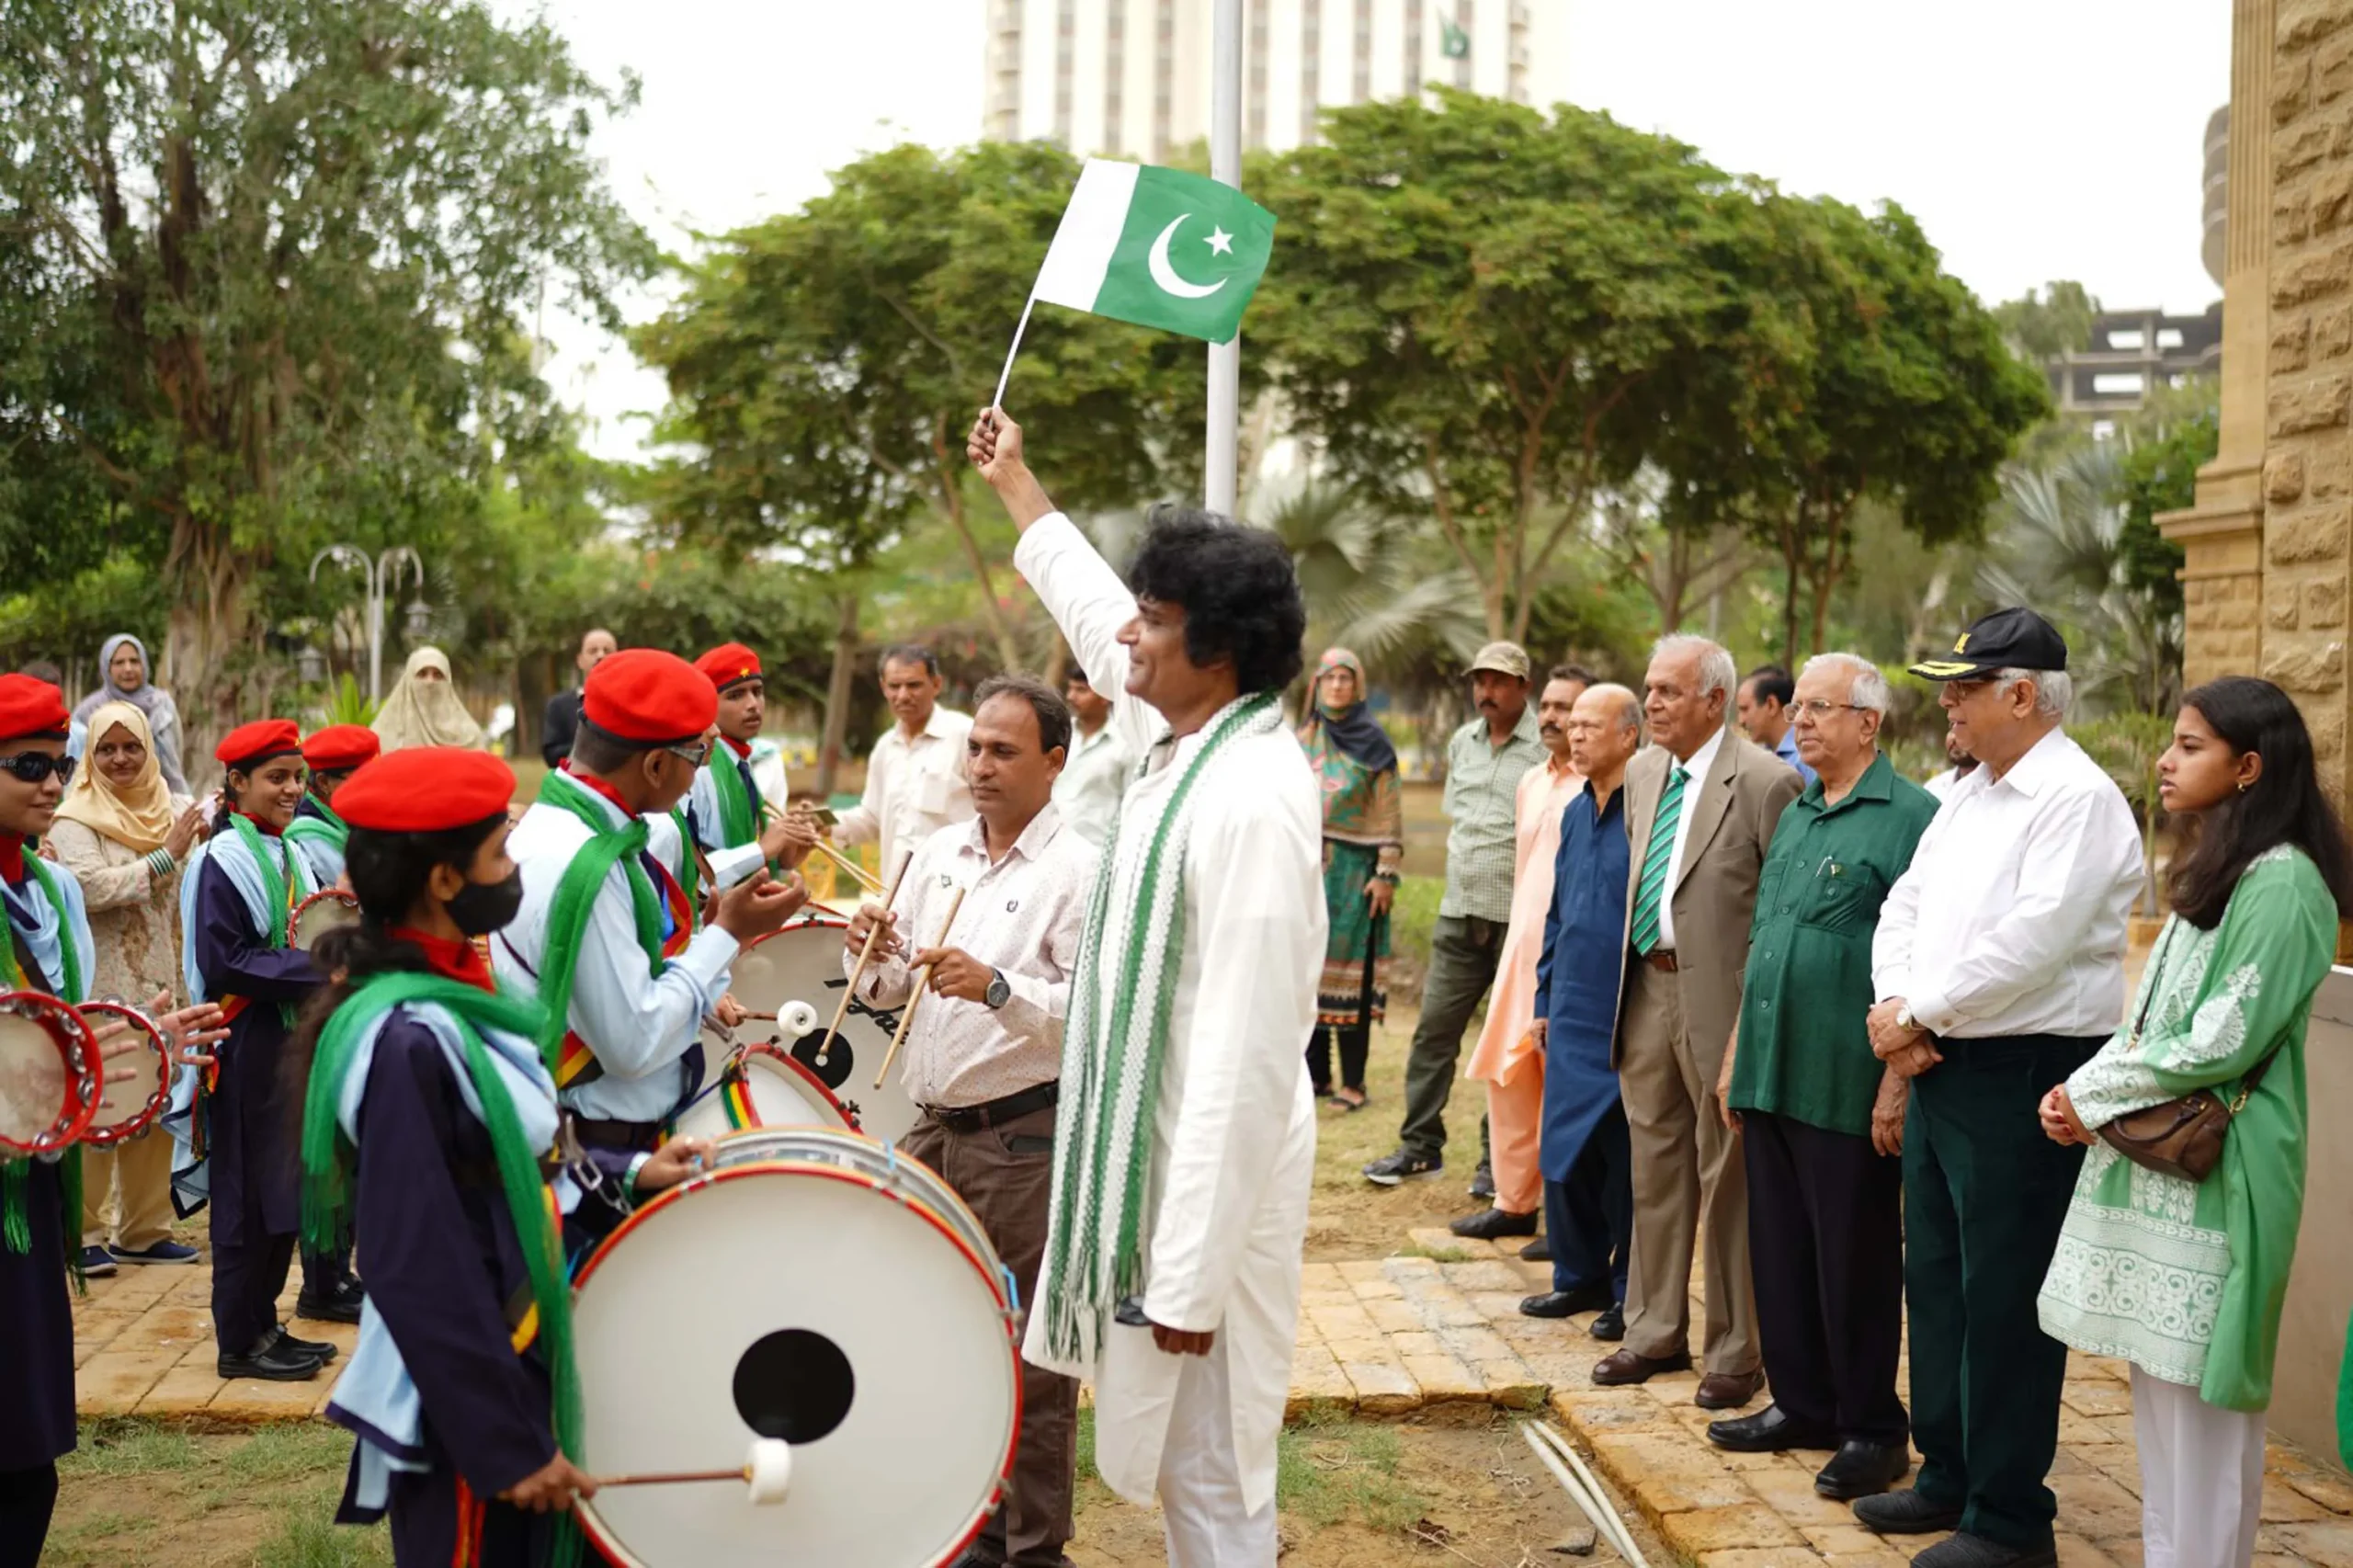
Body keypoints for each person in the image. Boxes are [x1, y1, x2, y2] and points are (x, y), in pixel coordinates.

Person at [973, 408, 1320, 1568]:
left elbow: (1245, 1054)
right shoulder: (1179, 744)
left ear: (1215, 650)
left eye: (1155, 624)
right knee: (1181, 1472)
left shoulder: (1254, 795)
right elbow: (1086, 603)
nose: (1127, 640)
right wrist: (1018, 484)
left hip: (1209, 1198)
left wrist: (1188, 1266)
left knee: (1217, 1471)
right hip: (1157, 1173)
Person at [286, 745, 710, 1566]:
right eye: (499, 853)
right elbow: (416, 1260)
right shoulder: (405, 1035)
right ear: (445, 881)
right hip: (468, 1402)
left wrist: (623, 1173)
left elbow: (504, 1154)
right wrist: (506, 1443)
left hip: (512, 1359)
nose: (513, 869)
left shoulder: (448, 994)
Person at [2034, 677, 2351, 1568]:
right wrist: (2084, 1093)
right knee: (2163, 1406)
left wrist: (2087, 1096)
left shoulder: (2284, 882)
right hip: (2163, 1163)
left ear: (2248, 767)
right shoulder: (2216, 868)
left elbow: (2220, 1035)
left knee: (2208, 1416)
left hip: (2227, 1166)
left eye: (2189, 745)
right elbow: (2148, 1024)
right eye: (2171, 741)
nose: (2163, 760)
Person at [1859, 608, 2143, 1565]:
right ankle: (1948, 1470)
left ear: (2022, 695)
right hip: (1941, 1062)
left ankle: (2010, 1515)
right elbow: (1906, 901)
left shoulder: (2078, 798)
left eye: (1963, 688)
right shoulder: (1972, 792)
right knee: (1936, 1279)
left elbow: (2035, 940)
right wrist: (1895, 1001)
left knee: (2006, 1294)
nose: (1946, 705)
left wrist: (1919, 1010)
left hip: (2022, 1068)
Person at [844, 675, 1095, 1568]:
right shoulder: (940, 851)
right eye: (975, 747)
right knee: (929, 1322)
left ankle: (1031, 1546)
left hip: (1021, 1135)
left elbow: (1097, 1015)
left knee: (1028, 1348)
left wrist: (997, 985)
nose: (980, 764)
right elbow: (886, 991)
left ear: (1054, 762)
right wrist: (868, 953)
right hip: (932, 1127)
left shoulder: (1079, 869)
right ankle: (959, 1515)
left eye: (1004, 750)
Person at [0, 675, 222, 1568]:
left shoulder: (49, 891)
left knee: (30, 1447)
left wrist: (136, 1046)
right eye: (28, 764)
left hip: (27, 1199)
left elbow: (63, 1038)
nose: (52, 782)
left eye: (59, 762)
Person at [1707, 654, 1938, 1501]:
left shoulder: (1914, 817)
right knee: (1781, 1248)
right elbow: (1766, 937)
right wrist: (1737, 1053)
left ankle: (1872, 1427)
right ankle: (1800, 1403)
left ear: (1869, 723)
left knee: (1856, 1259)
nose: (1798, 721)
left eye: (1818, 708)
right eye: (1796, 707)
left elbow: (1922, 958)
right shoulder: (1800, 808)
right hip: (1772, 1067)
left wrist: (1897, 1082)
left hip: (1848, 1078)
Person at [492, 649, 805, 1201]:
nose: (698, 774)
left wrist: (711, 938)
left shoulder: (560, 825)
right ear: (657, 765)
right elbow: (633, 1043)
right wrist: (726, 935)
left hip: (599, 1134)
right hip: (598, 1147)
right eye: (697, 757)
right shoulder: (586, 864)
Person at [1595, 634, 1802, 1408]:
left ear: (1716, 700)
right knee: (1653, 1165)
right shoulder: (1644, 771)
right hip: (1646, 988)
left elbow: (1775, 914)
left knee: (1730, 1175)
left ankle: (1736, 1350)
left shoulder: (1766, 781)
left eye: (1668, 692)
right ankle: (1652, 1331)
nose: (1650, 704)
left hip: (1724, 1001)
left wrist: (1755, 1019)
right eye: (1649, 689)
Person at [182, 719, 357, 1373]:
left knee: (284, 1189)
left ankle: (267, 1324)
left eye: (298, 778)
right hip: (242, 1040)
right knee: (245, 1199)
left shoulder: (282, 850)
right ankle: (238, 1342)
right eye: (276, 778)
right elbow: (225, 962)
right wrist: (323, 968)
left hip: (284, 1039)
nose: (291, 790)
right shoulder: (219, 860)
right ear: (236, 783)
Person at [1360, 642, 1540, 1191]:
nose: (1485, 691)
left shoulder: (1544, 750)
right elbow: (1462, 825)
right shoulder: (1463, 742)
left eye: (1499, 681)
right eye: (1479, 680)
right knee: (1433, 1033)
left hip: (1518, 921)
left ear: (1522, 688)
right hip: (1459, 912)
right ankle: (1420, 1146)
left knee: (1509, 1046)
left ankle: (1497, 1163)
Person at [48, 700, 211, 1274]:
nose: (120, 759)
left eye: (132, 747)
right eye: (108, 749)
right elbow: (91, 887)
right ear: (90, 755)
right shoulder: (73, 819)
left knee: (157, 1095)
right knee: (100, 1103)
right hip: (104, 981)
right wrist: (168, 854)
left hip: (164, 975)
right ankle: (83, 1231)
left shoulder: (174, 807)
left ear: (149, 750)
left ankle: (144, 1230)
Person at [1518, 684, 1642, 1330]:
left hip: (1623, 1006)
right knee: (1561, 1149)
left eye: (1592, 724)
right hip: (1568, 1001)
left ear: (1629, 736)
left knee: (1620, 1155)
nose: (1576, 733)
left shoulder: (1647, 811)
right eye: (1574, 724)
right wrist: (1542, 994)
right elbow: (1558, 912)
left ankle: (1628, 1289)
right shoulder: (1572, 811)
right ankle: (1578, 1275)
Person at [1456, 665, 1592, 1244]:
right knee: (1509, 1077)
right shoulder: (1533, 782)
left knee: (1562, 1086)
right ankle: (1513, 1203)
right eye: (1553, 706)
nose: (1558, 717)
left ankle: (1569, 1224)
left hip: (1571, 961)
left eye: (1571, 710)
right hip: (1521, 952)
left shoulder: (1606, 788)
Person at [1298, 649, 1403, 1111]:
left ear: (1358, 687)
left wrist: (1385, 873)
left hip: (1355, 875)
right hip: (1304, 871)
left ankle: (1354, 1082)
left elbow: (1390, 814)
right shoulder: (1300, 741)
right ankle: (1315, 1077)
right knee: (1307, 973)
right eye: (1330, 678)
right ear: (1316, 685)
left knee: (1350, 975)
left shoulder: (1376, 745)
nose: (1338, 686)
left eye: (1346, 678)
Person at [834, 644, 974, 875]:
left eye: (914, 685)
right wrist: (824, 823)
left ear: (936, 684)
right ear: (883, 687)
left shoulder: (965, 735)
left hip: (955, 888)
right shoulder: (885, 747)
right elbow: (872, 818)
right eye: (894, 686)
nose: (903, 695)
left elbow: (997, 814)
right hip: (897, 893)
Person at [685, 643, 815, 875]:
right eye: (735, 695)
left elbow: (761, 855)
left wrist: (788, 851)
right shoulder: (699, 767)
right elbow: (692, 873)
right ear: (707, 704)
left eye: (757, 691)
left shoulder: (741, 762)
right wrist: (761, 850)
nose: (753, 704)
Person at [72, 633, 188, 794]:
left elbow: (178, 751)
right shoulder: (89, 711)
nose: (128, 669)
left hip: (164, 798)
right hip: (106, 802)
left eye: (134, 661)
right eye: (119, 662)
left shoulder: (162, 705)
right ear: (107, 667)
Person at [285, 724, 381, 890]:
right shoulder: (307, 837)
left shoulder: (354, 817)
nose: (372, 789)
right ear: (323, 783)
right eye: (362, 780)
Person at [1051, 669, 1132, 849]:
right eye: (1070, 689)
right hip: (1050, 849)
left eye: (1081, 690)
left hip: (1097, 853)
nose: (1071, 696)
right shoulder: (1059, 736)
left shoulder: (1125, 744)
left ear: (1105, 696)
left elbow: (1131, 806)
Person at [372, 647, 485, 754]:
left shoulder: (469, 736)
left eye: (438, 675)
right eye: (422, 674)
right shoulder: (385, 733)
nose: (430, 681)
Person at [540, 629, 617, 769]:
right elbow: (551, 754)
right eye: (593, 651)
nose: (600, 655)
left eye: (607, 651)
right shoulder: (559, 705)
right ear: (580, 660)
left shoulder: (631, 703)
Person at [1735, 663, 1815, 787]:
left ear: (1771, 705)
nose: (1741, 720)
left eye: (1745, 709)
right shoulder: (1760, 757)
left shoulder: (1808, 757)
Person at [1924, 723, 1980, 801]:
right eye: (1951, 729)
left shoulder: (1998, 789)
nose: (1953, 738)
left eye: (1963, 730)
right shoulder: (1934, 789)